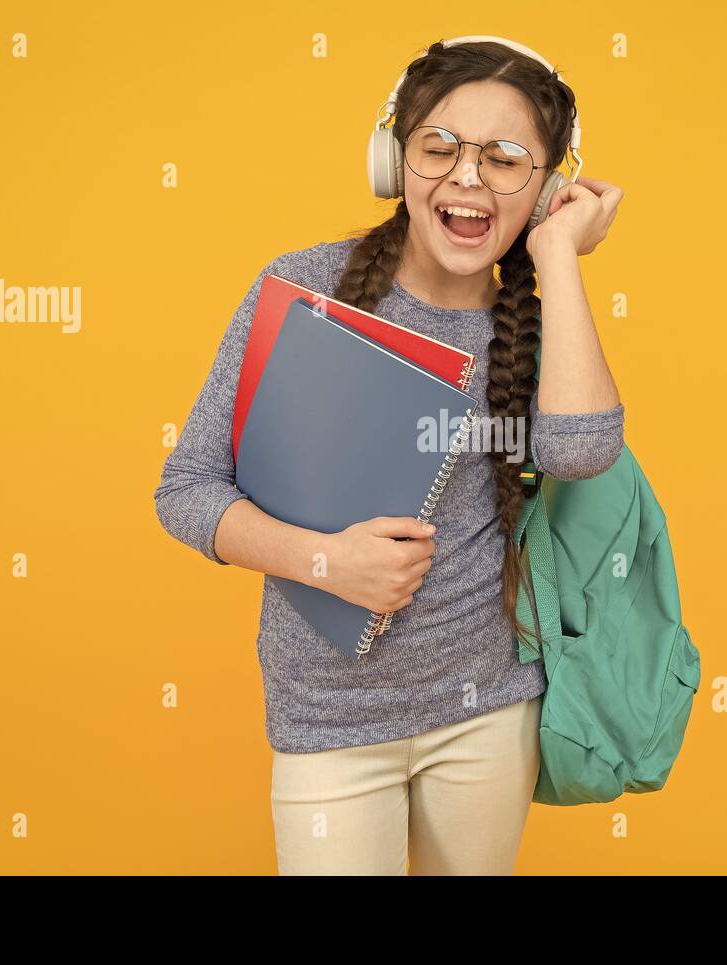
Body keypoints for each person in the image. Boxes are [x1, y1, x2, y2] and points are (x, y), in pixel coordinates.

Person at [153, 37, 625, 874]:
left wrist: (557, 256)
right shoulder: (303, 290)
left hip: (488, 714)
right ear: (392, 159)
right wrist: (325, 561)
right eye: (438, 148)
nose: (468, 180)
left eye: (507, 159)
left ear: (550, 186)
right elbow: (185, 490)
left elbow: (581, 451)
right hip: (328, 718)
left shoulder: (540, 329)